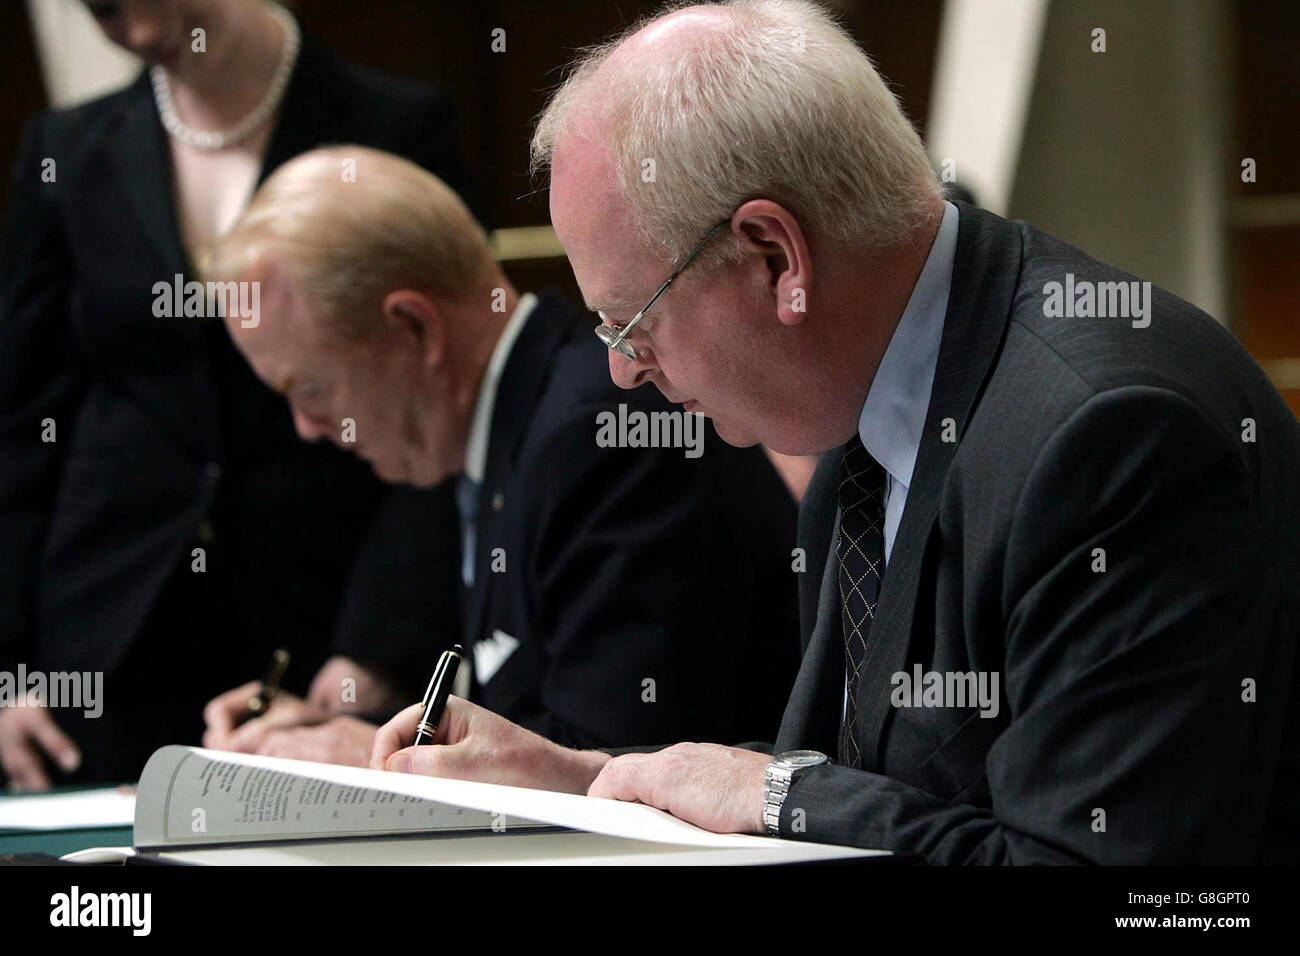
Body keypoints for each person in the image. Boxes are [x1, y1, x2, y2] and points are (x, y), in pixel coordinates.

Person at [372, 0, 1300, 864]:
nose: (621, 368)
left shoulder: (1111, 439)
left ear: (774, 257)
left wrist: (781, 795)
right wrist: (581, 779)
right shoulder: (864, 410)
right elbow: (865, 784)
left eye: (632, 321)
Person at [0, 0, 477, 787]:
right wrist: (11, 664)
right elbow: (24, 423)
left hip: (320, 627)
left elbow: (441, 386)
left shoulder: (392, 121)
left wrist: (384, 638)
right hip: (105, 638)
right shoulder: (66, 148)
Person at [201, 146, 801, 760]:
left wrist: (368, 761)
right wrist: (346, 733)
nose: (307, 426)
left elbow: (623, 773)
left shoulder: (602, 438)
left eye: (312, 387)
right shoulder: (501, 433)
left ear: (415, 328)